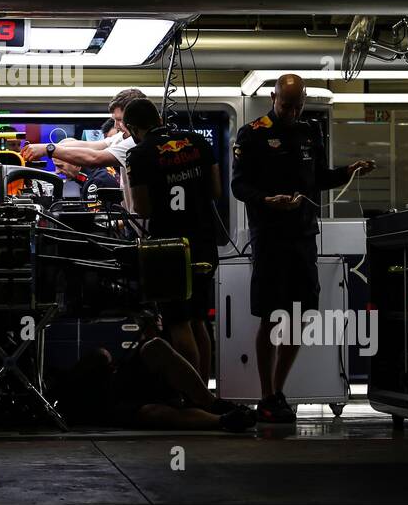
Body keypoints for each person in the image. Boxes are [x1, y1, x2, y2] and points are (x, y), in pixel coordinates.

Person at [230, 74, 374, 423]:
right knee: (270, 315)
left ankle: (279, 392)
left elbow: (318, 179)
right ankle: (266, 395)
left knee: (299, 317)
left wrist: (348, 172)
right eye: (286, 105)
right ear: (272, 97)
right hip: (270, 237)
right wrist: (267, 200)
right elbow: (238, 184)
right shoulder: (253, 133)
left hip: (304, 236)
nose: (293, 112)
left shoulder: (309, 132)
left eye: (298, 105)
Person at [123, 97, 220, 383]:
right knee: (200, 319)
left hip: (169, 248)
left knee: (178, 322)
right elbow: (215, 190)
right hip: (203, 240)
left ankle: (191, 395)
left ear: (131, 127)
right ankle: (205, 392)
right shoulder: (197, 142)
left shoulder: (139, 154)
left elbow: (143, 208)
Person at [55, 314, 254, 432]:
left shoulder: (63, 383)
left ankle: (212, 404)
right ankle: (223, 419)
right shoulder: (66, 396)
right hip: (115, 405)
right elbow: (103, 356)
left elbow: (103, 356)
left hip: (120, 384)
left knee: (155, 347)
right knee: (151, 412)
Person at [21, 88, 147, 210]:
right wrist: (45, 148)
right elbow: (91, 146)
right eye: (114, 120)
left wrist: (48, 150)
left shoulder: (135, 143)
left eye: (119, 120)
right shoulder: (122, 137)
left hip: (144, 222)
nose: (116, 125)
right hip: (133, 220)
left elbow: (94, 158)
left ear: (134, 117)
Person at [54, 153, 121, 201]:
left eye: (60, 166)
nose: (57, 171)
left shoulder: (96, 181)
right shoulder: (95, 171)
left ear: (75, 162)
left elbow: (97, 219)